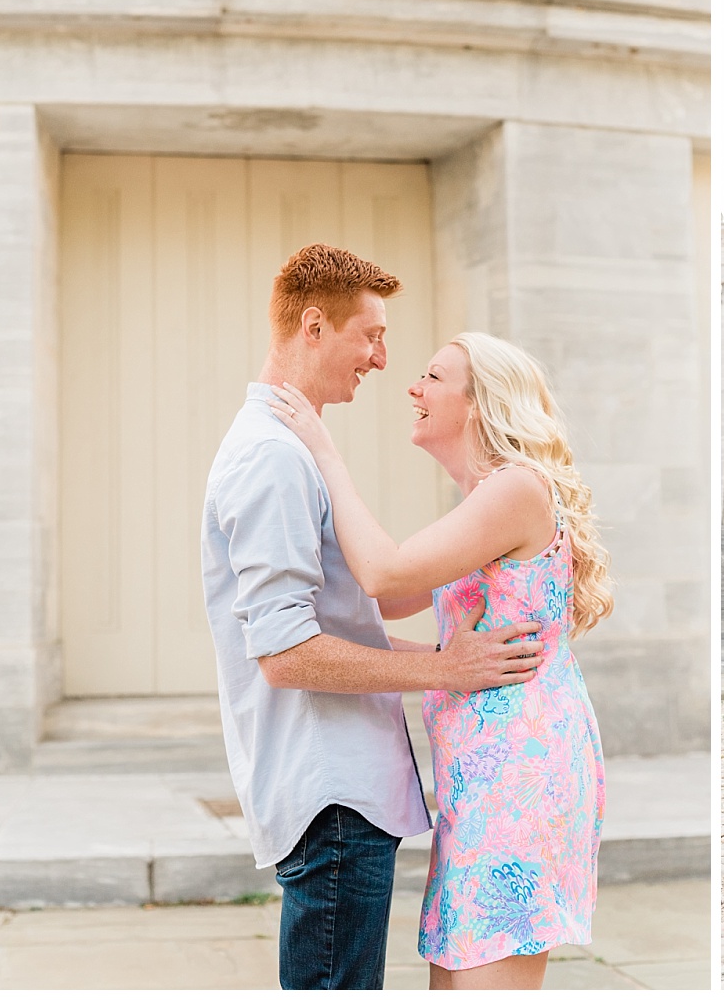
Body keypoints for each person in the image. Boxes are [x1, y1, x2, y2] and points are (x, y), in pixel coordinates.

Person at [201, 244, 547, 991]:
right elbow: (287, 652)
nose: (384, 359)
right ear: (315, 326)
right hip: (334, 796)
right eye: (372, 335)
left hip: (350, 792)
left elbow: (354, 616)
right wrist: (443, 667)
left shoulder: (290, 448)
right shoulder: (274, 457)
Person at [269, 331, 610, 990]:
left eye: (432, 376)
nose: (412, 389)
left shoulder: (518, 488)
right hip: (480, 778)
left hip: (520, 773)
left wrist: (325, 454)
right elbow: (391, 597)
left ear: (477, 404)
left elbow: (382, 571)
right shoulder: (486, 499)